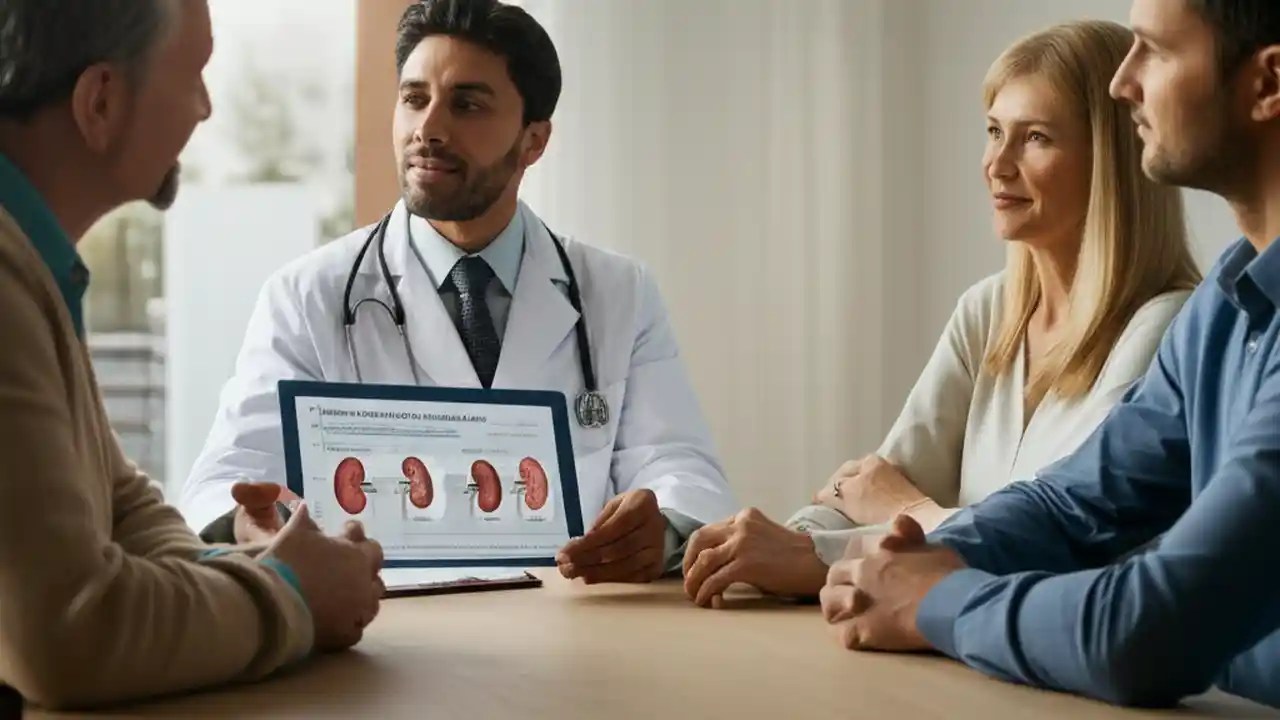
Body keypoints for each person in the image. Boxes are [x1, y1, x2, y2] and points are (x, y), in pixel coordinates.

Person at [177, 0, 738, 584]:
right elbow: (229, 475)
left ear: (533, 141)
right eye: (414, 98)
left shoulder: (618, 292)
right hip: (385, 631)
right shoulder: (307, 294)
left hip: (570, 627)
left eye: (466, 105)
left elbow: (678, 463)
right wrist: (245, 522)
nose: (429, 129)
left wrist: (664, 527)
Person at [820, 0, 1280, 709]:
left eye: (1154, 53)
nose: (1125, 83)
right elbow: (1074, 504)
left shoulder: (1185, 311)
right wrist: (900, 559)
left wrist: (936, 597)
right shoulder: (1227, 299)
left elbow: (1148, 631)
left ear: (1267, 84)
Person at [681, 18, 1200, 607]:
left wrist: (867, 531)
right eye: (993, 131)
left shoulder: (1170, 327)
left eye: (1035, 138)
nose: (997, 164)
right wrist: (784, 540)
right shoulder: (987, 309)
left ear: (1110, 163)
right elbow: (863, 493)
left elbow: (1062, 548)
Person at [0, 0, 384, 711]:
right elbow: (72, 634)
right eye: (195, 73)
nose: (205, 108)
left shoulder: (34, 266)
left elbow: (121, 507)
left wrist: (255, 568)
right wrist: (292, 595)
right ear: (101, 102)